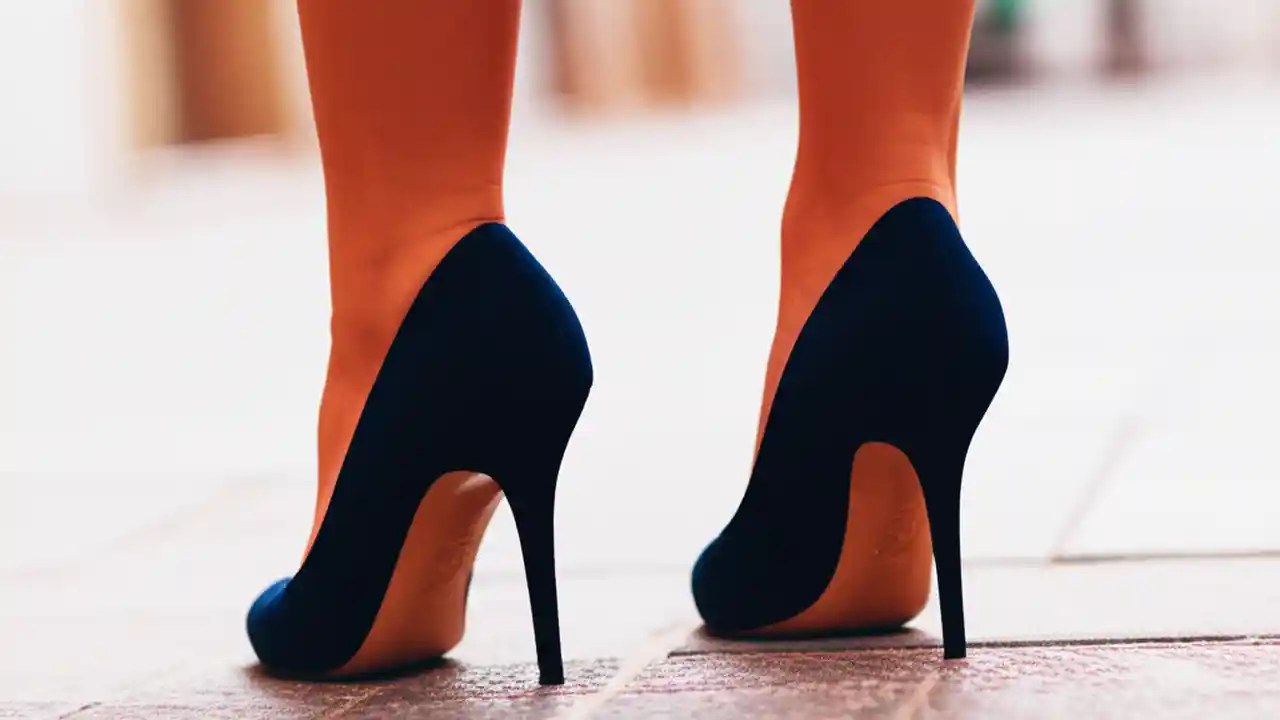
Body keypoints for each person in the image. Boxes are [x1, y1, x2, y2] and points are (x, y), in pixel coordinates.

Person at [247, 0, 1007, 687]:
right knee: (879, 173)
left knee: (421, 227)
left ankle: (417, 275)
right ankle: (893, 220)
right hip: (924, 294)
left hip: (457, 332)